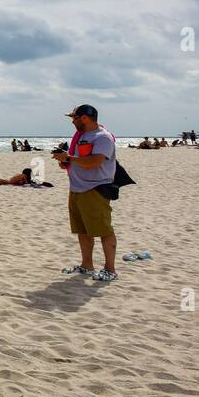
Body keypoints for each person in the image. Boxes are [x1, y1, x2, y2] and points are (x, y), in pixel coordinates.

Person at [54, 103, 119, 282]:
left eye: (73, 118)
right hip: (77, 188)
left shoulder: (102, 137)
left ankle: (110, 269)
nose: (72, 122)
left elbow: (95, 161)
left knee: (104, 230)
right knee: (83, 230)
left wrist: (69, 158)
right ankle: (86, 266)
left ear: (84, 118)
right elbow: (80, 160)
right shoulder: (81, 136)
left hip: (95, 189)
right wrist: (66, 161)